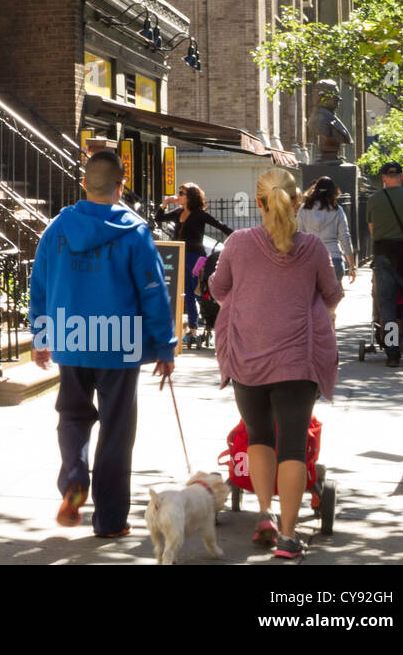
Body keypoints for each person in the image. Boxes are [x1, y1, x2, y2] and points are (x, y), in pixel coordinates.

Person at [29, 150, 177, 539]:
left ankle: (75, 479)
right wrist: (165, 345)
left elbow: (40, 285)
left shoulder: (57, 228)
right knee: (117, 430)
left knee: (73, 416)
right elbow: (153, 291)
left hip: (70, 335)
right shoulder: (135, 231)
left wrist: (41, 335)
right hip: (120, 341)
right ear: (120, 185)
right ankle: (110, 521)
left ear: (84, 184)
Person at [210, 168, 342, 561]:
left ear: (259, 202)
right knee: (293, 448)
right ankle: (288, 537)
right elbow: (332, 295)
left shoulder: (237, 243)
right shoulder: (315, 249)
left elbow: (218, 289)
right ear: (297, 201)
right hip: (298, 364)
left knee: (258, 439)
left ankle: (264, 515)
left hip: (247, 360)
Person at [366, 162, 403, 367]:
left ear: (383, 178)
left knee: (387, 304)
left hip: (384, 255)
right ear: (401, 177)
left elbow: (373, 231)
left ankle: (392, 353)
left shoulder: (373, 200)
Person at [157, 183, 233, 343]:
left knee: (194, 291)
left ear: (190, 196)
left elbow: (221, 226)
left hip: (195, 257)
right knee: (186, 293)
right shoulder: (178, 212)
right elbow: (159, 218)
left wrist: (237, 239)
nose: (178, 195)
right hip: (179, 255)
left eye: (181, 193)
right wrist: (164, 204)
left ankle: (201, 326)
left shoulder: (199, 214)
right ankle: (193, 328)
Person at [297, 176, 357, 283]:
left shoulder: (304, 209)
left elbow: (299, 237)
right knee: (332, 298)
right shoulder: (337, 210)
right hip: (334, 260)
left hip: (310, 259)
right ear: (333, 191)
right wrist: (352, 266)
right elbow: (345, 238)